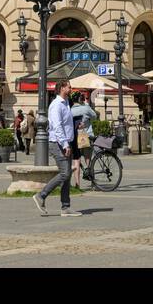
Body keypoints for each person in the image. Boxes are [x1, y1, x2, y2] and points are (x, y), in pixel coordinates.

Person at [33, 80, 80, 217]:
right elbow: (57, 126)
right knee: (65, 173)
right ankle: (41, 195)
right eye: (69, 87)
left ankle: (65, 207)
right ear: (62, 88)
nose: (71, 89)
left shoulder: (65, 103)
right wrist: (65, 144)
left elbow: (65, 124)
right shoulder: (56, 105)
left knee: (67, 175)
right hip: (58, 143)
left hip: (66, 142)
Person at [71, 92, 98, 189]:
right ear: (81, 99)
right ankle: (93, 184)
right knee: (88, 160)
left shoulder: (70, 111)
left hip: (75, 137)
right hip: (87, 136)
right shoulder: (86, 108)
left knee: (76, 161)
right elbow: (95, 116)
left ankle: (77, 184)